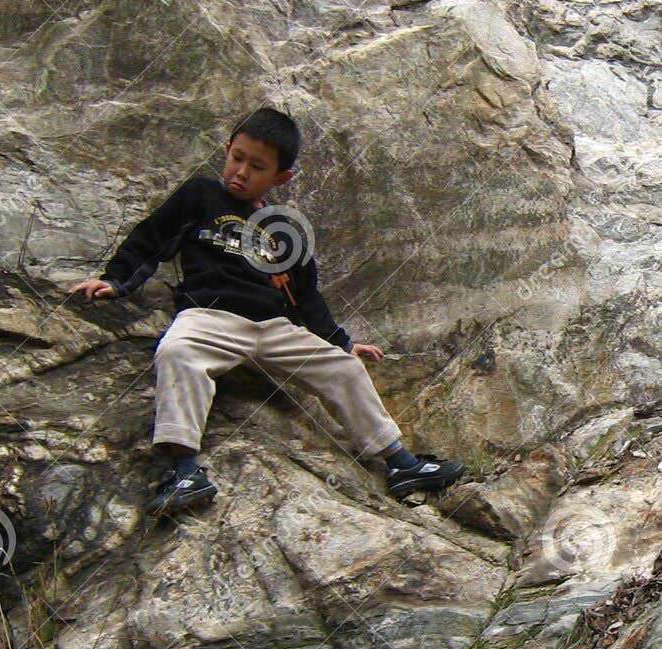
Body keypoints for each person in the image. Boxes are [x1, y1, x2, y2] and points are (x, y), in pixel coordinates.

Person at [71, 107, 465, 518]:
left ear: (282, 178)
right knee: (178, 353)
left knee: (344, 370)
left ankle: (402, 464)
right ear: (227, 149)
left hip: (274, 328)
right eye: (236, 157)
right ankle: (185, 470)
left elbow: (307, 297)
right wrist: (116, 281)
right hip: (209, 316)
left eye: (257, 167)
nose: (241, 171)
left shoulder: (285, 231)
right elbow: (150, 239)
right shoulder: (200, 195)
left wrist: (342, 343)